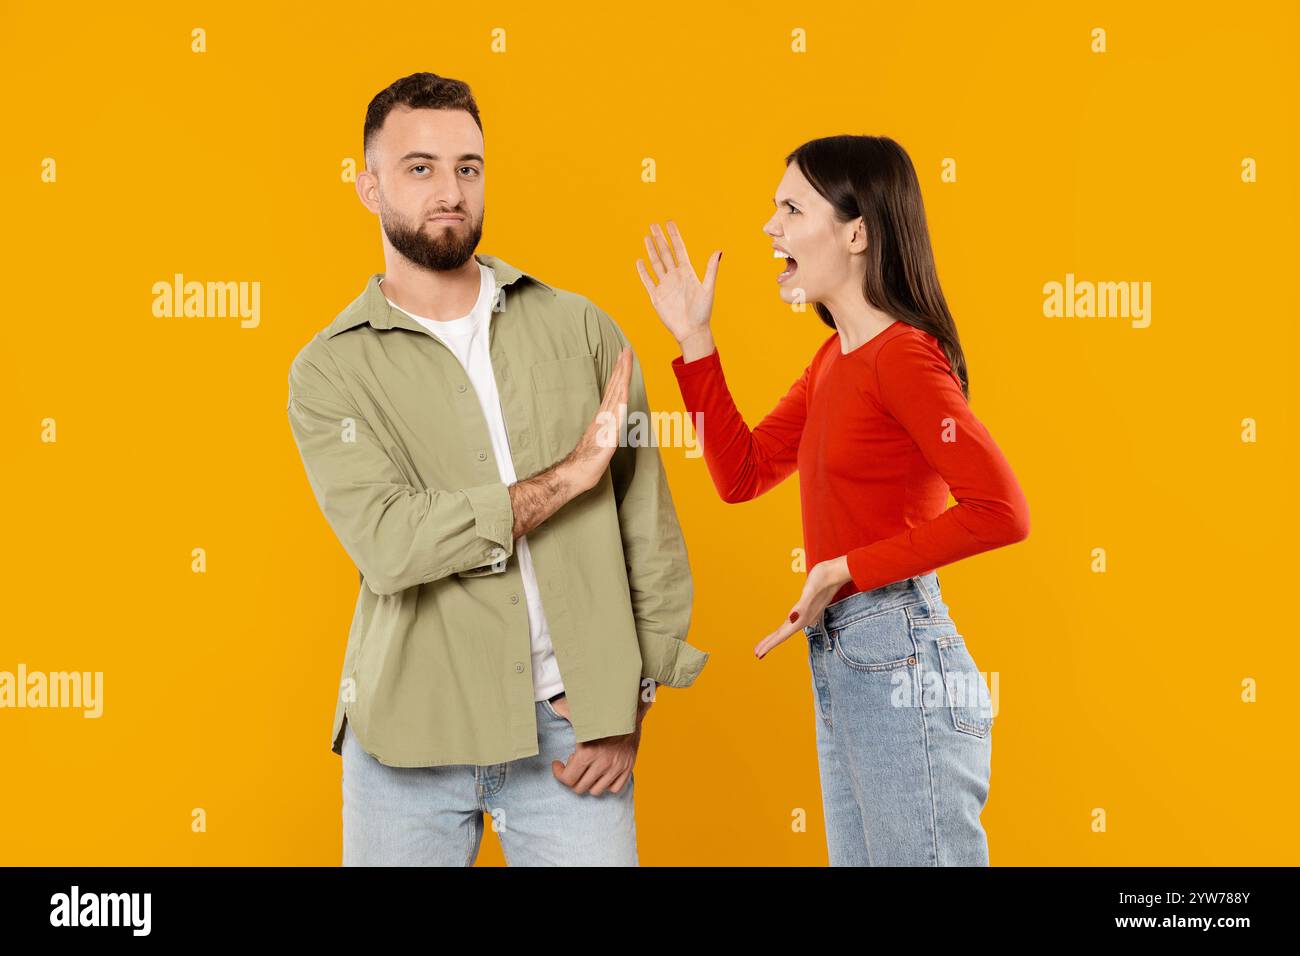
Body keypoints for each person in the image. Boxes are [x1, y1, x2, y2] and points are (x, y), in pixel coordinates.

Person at [286, 71, 707, 866]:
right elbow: (391, 545)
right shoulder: (327, 372)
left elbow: (647, 531)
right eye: (421, 168)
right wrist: (566, 477)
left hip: (572, 734)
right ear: (368, 187)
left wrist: (631, 701)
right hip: (409, 740)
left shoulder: (581, 328)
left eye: (468, 167)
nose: (450, 191)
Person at [636, 135, 1030, 866]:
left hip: (901, 655)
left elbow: (1002, 510)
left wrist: (848, 566)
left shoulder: (904, 357)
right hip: (851, 658)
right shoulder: (832, 362)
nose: (770, 228)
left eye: (791, 208)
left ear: (856, 232)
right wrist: (695, 340)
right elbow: (743, 472)